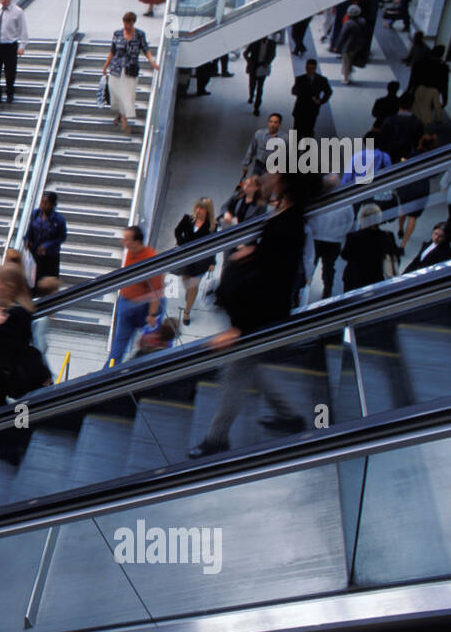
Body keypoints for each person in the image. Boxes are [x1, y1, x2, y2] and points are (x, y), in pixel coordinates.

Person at [189, 171, 313, 458]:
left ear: (286, 183)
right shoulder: (287, 215)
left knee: (234, 374)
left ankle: (216, 439)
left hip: (257, 318)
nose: (268, 178)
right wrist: (254, 252)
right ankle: (290, 416)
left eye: (274, 175)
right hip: (260, 315)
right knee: (249, 368)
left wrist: (240, 329)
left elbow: (272, 280)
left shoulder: (286, 224)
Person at [0, 263, 51, 462]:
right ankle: (11, 440)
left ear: (10, 286)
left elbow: (10, 336)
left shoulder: (19, 312)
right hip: (4, 372)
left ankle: (12, 440)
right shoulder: (11, 310)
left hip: (6, 373)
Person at [106, 225, 165, 366]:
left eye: (126, 239)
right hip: (126, 304)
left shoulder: (151, 258)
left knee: (149, 345)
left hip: (141, 307)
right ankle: (106, 373)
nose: (123, 242)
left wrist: (152, 315)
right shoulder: (130, 253)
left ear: (137, 242)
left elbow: (156, 292)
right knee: (118, 347)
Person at [103, 12, 159, 135]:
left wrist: (152, 62)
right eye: (125, 23)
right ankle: (120, 114)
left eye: (129, 23)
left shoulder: (139, 35)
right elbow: (112, 51)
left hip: (130, 69)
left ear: (133, 22)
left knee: (127, 95)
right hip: (116, 69)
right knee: (116, 94)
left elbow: (146, 49)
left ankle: (124, 122)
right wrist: (105, 66)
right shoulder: (117, 34)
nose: (126, 25)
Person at [173, 197, 216, 325]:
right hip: (185, 258)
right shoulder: (187, 219)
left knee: (193, 287)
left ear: (207, 211)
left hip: (200, 261)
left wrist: (212, 262)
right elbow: (177, 231)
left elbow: (214, 245)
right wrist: (182, 245)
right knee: (186, 282)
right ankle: (189, 295)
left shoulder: (212, 226)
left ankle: (187, 312)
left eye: (202, 208)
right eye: (197, 207)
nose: (198, 210)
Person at [342, 203, 402, 291]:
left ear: (362, 218)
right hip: (374, 279)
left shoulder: (353, 237)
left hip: (353, 278)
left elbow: (345, 255)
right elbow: (396, 257)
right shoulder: (387, 236)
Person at [27, 191, 68, 283]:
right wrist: (27, 239)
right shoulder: (35, 214)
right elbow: (30, 230)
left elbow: (62, 237)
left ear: (52, 205)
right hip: (36, 254)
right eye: (42, 202)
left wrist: (46, 246)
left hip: (50, 257)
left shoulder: (59, 220)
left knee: (49, 281)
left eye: (46, 203)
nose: (43, 205)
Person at [290, 58, 332, 139]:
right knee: (297, 131)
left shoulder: (322, 80)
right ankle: (295, 149)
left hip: (312, 109)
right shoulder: (300, 79)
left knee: (309, 130)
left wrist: (321, 101)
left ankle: (307, 149)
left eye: (312, 68)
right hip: (300, 108)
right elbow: (294, 91)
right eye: (308, 68)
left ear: (315, 68)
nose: (309, 71)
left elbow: (328, 92)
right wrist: (304, 93)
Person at [243, 35, 276, 117]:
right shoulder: (255, 42)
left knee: (260, 87)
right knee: (252, 84)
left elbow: (273, 54)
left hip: (263, 67)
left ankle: (257, 107)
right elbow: (245, 53)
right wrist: (249, 61)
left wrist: (267, 63)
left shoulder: (272, 43)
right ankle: (251, 95)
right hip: (254, 67)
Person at [337, 3, 370, 85]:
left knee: (346, 62)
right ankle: (349, 73)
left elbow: (342, 36)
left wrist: (337, 46)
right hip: (359, 45)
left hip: (349, 46)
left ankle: (346, 78)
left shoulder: (348, 24)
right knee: (350, 61)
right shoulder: (363, 21)